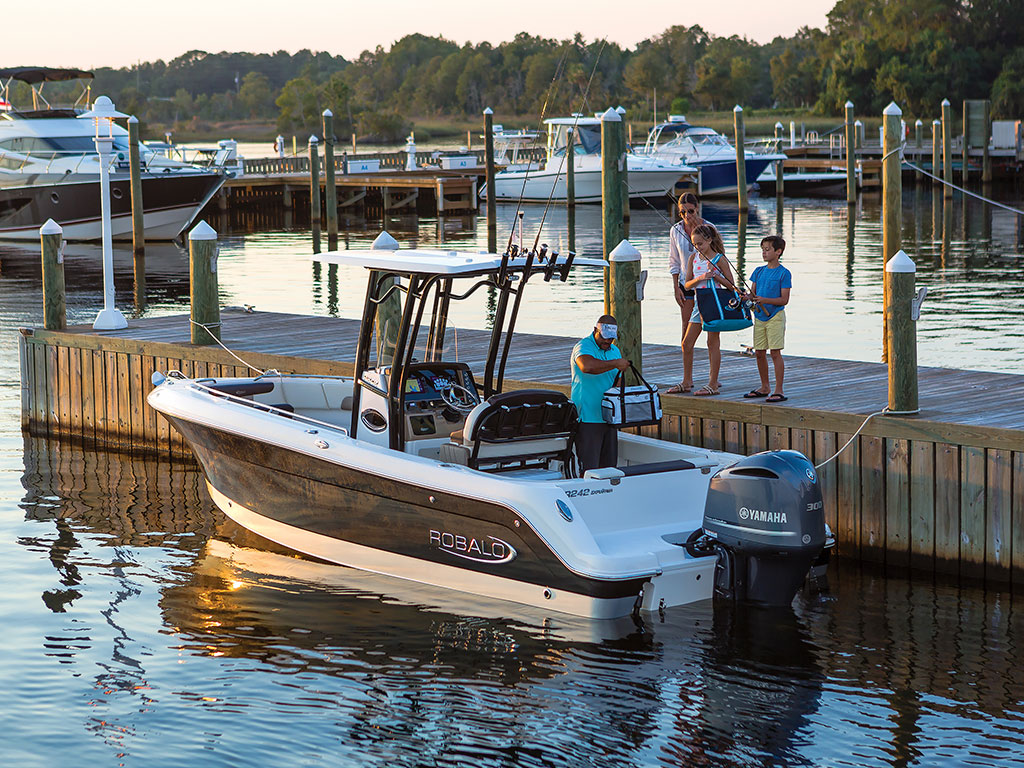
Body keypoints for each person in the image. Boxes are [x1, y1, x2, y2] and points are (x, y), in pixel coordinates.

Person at [681, 223, 735, 397]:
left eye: (700, 244)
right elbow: (687, 284)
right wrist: (702, 277)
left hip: (714, 303)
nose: (698, 247)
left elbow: (731, 285)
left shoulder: (720, 259)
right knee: (686, 343)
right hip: (699, 303)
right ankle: (687, 380)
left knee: (712, 343)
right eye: (694, 244)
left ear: (709, 240)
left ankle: (713, 384)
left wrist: (716, 276)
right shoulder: (693, 258)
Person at [570, 314, 630, 471]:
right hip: (588, 418)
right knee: (590, 469)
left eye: (611, 338)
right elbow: (586, 366)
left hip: (609, 418)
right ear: (595, 330)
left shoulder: (614, 350)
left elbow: (617, 379)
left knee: (609, 468)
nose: (607, 341)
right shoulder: (584, 346)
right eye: (604, 337)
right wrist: (616, 363)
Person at [665, 193, 708, 394]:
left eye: (690, 211)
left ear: (697, 208)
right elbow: (673, 261)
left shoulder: (709, 228)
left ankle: (713, 379)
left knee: (711, 331)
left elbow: (720, 256)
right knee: (685, 333)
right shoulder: (676, 230)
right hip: (685, 285)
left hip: (706, 288)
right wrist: (675, 287)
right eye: (682, 212)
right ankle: (687, 379)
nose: (686, 215)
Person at [742, 235, 791, 403]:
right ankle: (764, 387)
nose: (764, 253)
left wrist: (764, 300)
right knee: (760, 353)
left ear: (778, 252)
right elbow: (753, 295)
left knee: (775, 353)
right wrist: (745, 297)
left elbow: (784, 300)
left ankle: (779, 390)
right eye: (762, 249)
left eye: (768, 249)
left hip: (775, 316)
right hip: (760, 317)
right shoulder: (758, 271)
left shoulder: (784, 273)